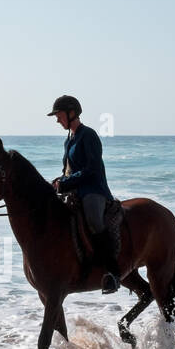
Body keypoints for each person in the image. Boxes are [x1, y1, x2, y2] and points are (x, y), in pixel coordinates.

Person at [48, 94, 120, 294]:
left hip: (93, 189)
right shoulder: (69, 139)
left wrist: (66, 182)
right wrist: (56, 183)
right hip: (74, 189)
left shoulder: (88, 135)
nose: (57, 119)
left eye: (59, 115)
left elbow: (92, 169)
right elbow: (67, 171)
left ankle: (112, 273)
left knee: (94, 220)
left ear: (72, 113)